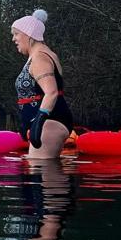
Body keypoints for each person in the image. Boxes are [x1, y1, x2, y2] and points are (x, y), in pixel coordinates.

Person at [11, 9, 74, 159]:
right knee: (38, 173)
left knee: (42, 171)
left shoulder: (39, 58)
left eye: (16, 34)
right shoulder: (42, 55)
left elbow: (51, 92)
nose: (14, 39)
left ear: (29, 34)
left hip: (49, 123)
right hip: (47, 123)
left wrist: (39, 121)